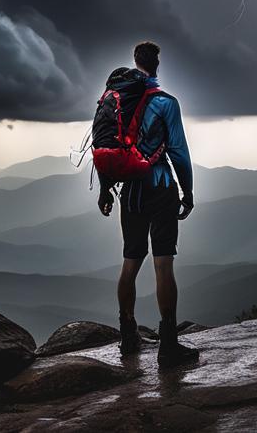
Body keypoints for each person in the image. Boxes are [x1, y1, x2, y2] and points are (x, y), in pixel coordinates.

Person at [97, 41, 199, 367]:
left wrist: (105, 189)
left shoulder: (115, 99)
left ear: (135, 61)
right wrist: (187, 192)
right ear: (157, 64)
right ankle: (168, 345)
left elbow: (105, 144)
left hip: (129, 191)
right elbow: (178, 152)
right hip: (160, 187)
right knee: (163, 264)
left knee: (130, 261)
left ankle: (128, 335)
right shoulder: (166, 102)